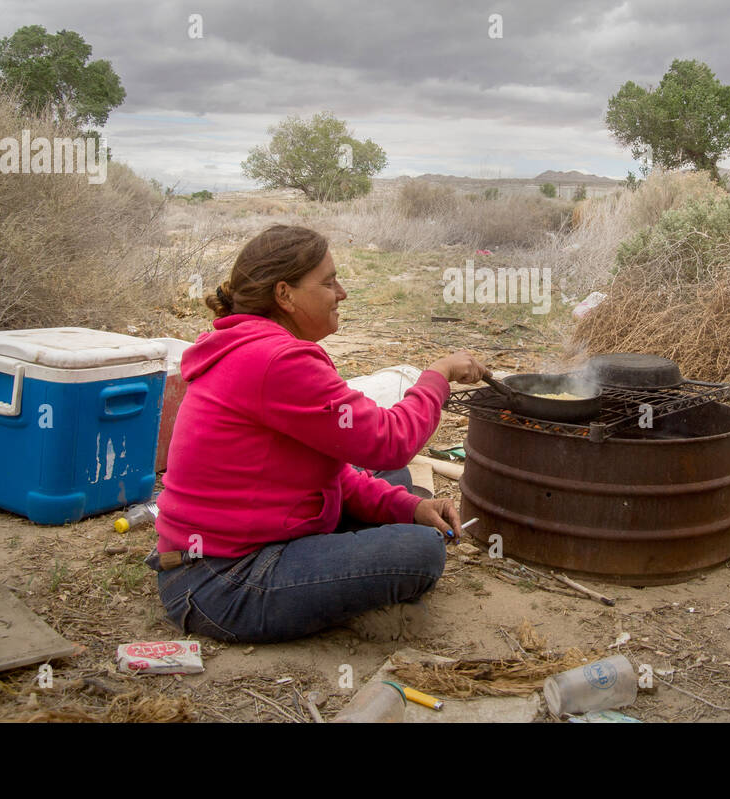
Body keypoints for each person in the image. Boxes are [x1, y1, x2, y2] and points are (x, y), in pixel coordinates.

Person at [148, 224, 488, 643]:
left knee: (398, 490)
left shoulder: (252, 345)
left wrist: (409, 509)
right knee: (421, 551)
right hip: (223, 581)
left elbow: (326, 468)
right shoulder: (276, 361)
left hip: (232, 545)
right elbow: (391, 441)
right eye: (328, 282)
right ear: (285, 295)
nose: (341, 293)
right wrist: (439, 375)